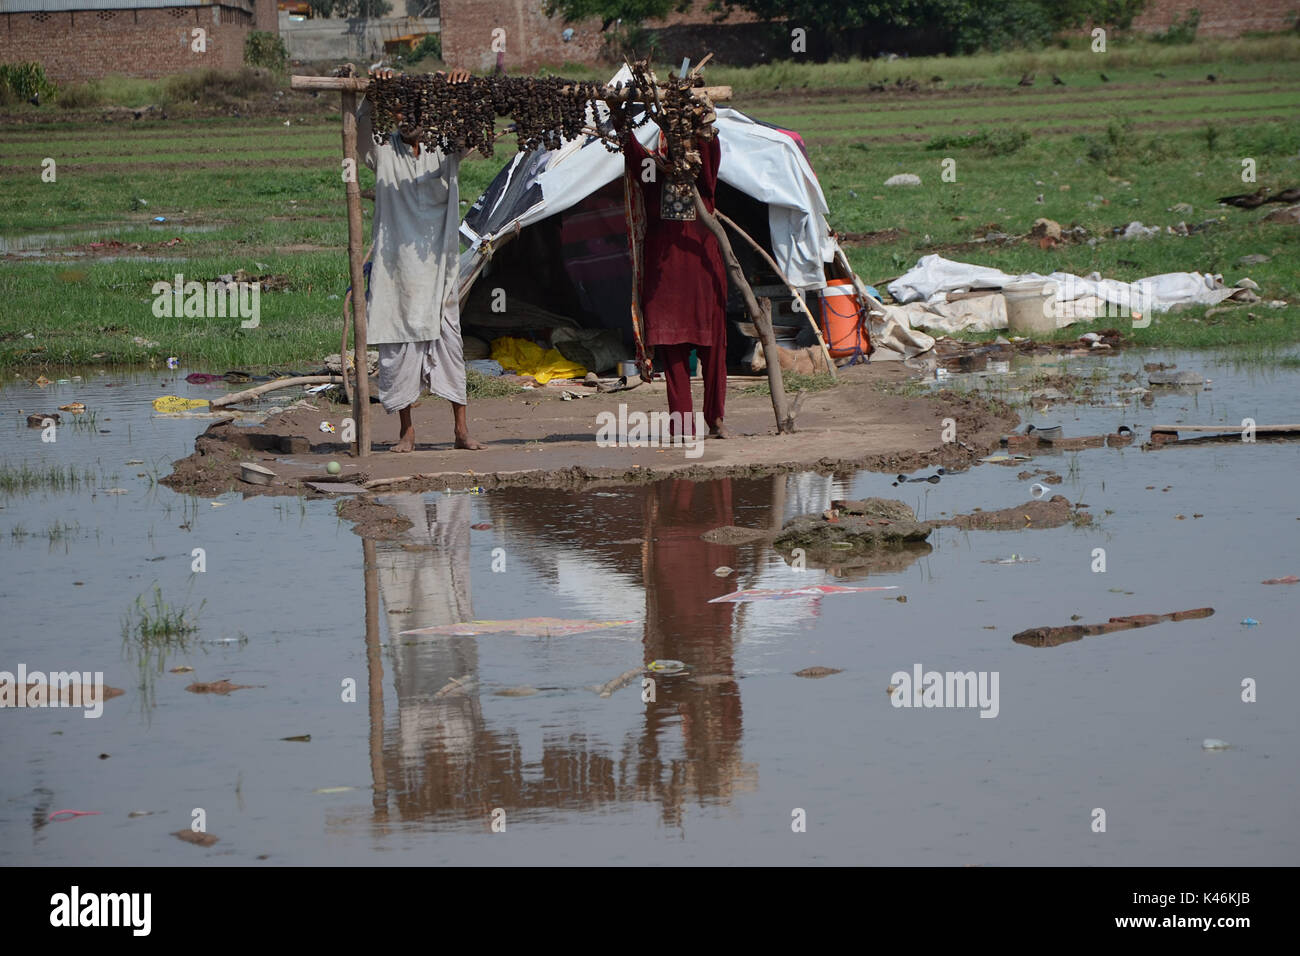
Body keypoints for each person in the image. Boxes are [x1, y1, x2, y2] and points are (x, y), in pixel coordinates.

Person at [356, 67, 484, 452]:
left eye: (417, 113)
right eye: (401, 112)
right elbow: (360, 131)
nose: (409, 121)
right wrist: (372, 91)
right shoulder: (381, 150)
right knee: (397, 350)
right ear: (393, 115)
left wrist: (461, 95)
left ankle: (461, 432)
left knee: (449, 345)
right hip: (397, 271)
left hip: (439, 267)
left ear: (429, 114)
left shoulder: (445, 147)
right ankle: (406, 432)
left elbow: (473, 135)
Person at [612, 101, 730, 439]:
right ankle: (683, 425)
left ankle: (715, 419)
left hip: (704, 277)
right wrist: (620, 120)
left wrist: (702, 123)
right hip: (666, 283)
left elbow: (709, 148)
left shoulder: (702, 175)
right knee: (675, 357)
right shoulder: (652, 174)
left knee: (713, 352)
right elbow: (632, 152)